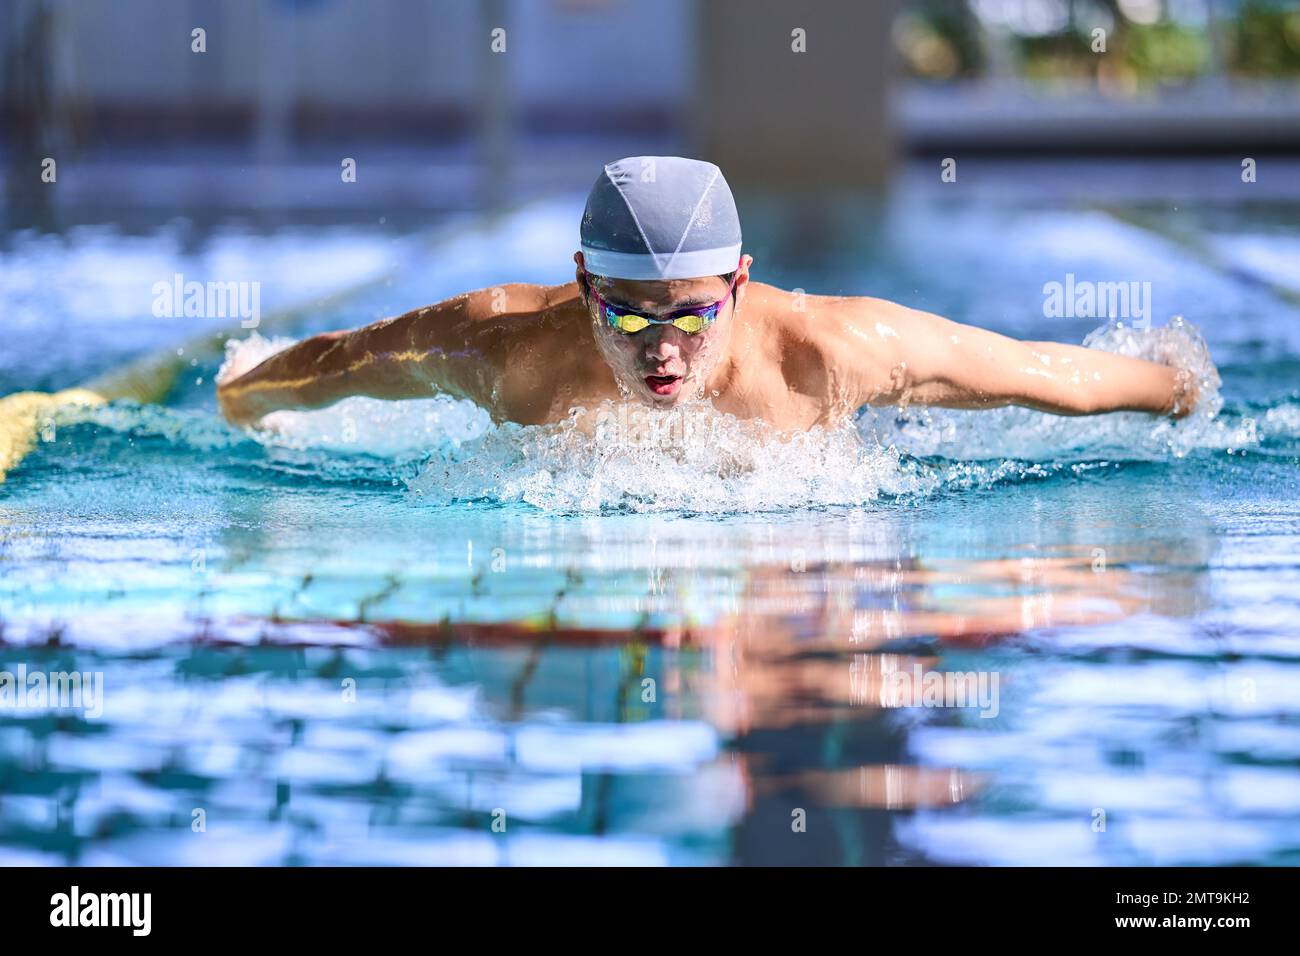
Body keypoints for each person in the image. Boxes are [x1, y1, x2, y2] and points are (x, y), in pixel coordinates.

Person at [218, 156, 1198, 433]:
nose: (663, 350)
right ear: (581, 286)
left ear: (741, 281)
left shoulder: (832, 351)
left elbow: (1044, 375)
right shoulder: (505, 349)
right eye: (628, 314)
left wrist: (1174, 385)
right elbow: (348, 358)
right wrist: (246, 388)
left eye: (692, 312)